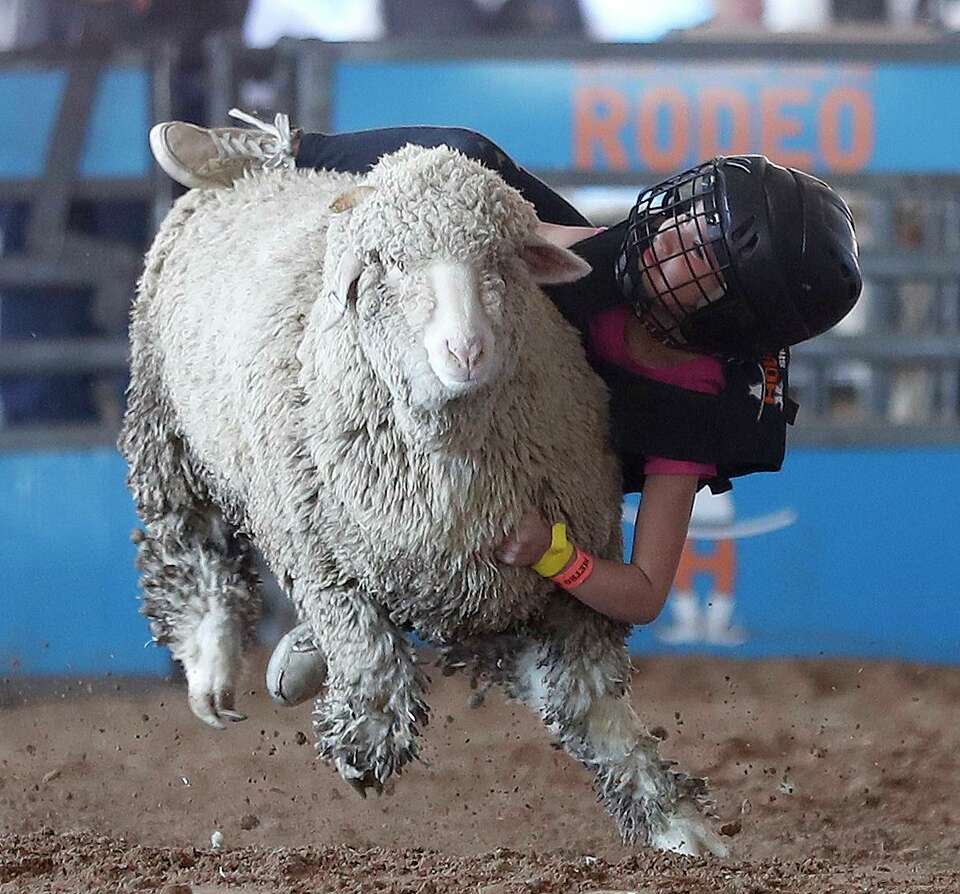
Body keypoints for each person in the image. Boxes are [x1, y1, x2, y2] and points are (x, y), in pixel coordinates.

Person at [149, 113, 862, 704]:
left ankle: (370, 614)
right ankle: (276, 153)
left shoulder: (692, 412)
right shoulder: (612, 254)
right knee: (467, 155)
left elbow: (644, 593)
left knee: (488, 542)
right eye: (687, 213)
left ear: (729, 317)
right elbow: (473, 232)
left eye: (696, 259)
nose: (667, 239)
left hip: (545, 485)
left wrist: (558, 555)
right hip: (481, 410)